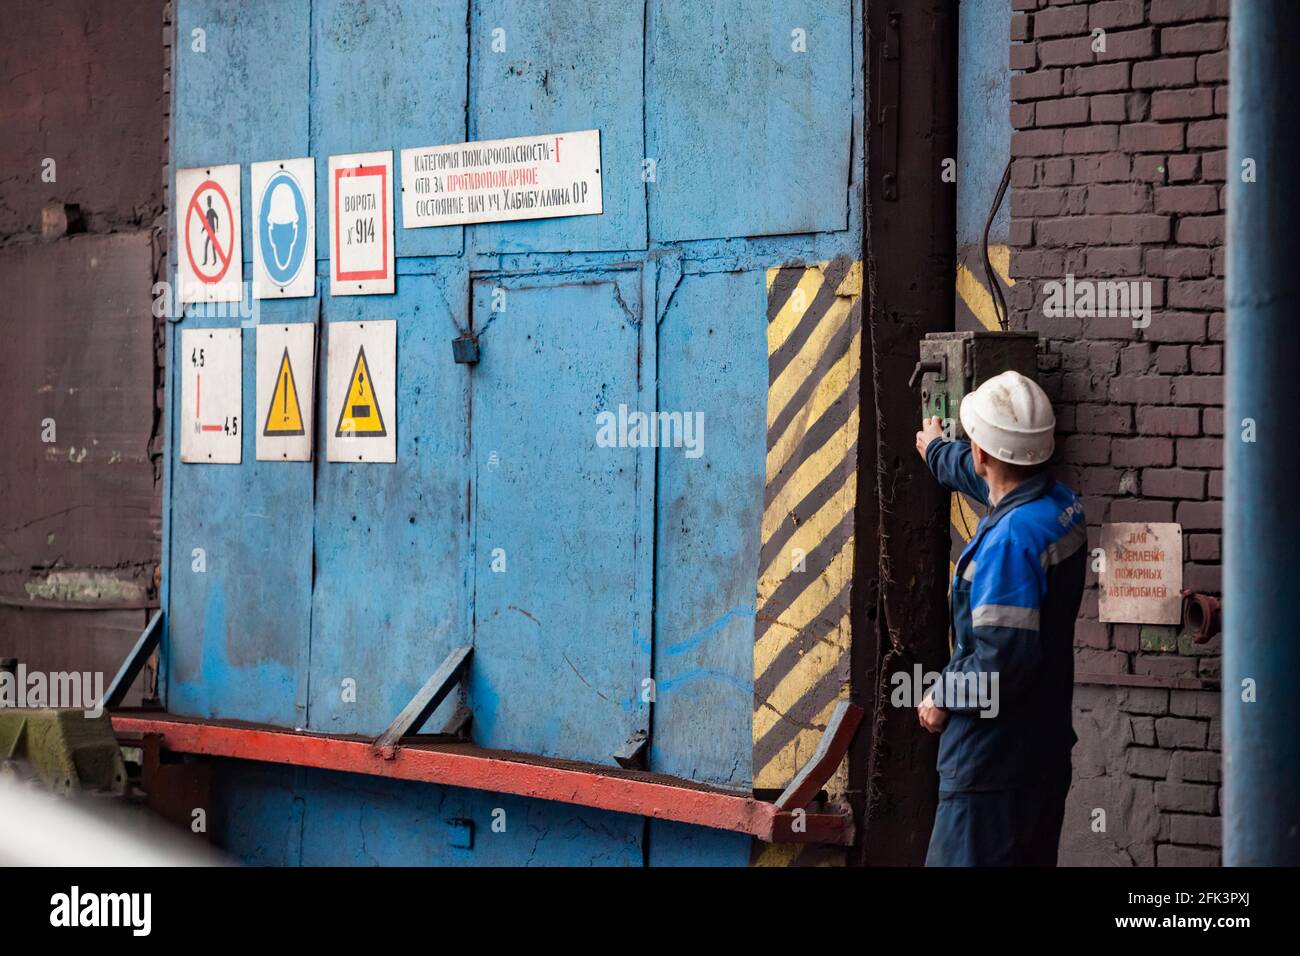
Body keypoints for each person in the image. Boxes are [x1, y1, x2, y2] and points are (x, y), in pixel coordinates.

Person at [913, 370, 1086, 866]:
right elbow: (992, 483)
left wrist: (941, 694)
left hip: (991, 766)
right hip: (1042, 754)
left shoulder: (1009, 544)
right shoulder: (1060, 506)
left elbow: (999, 667)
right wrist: (937, 452)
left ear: (984, 453)